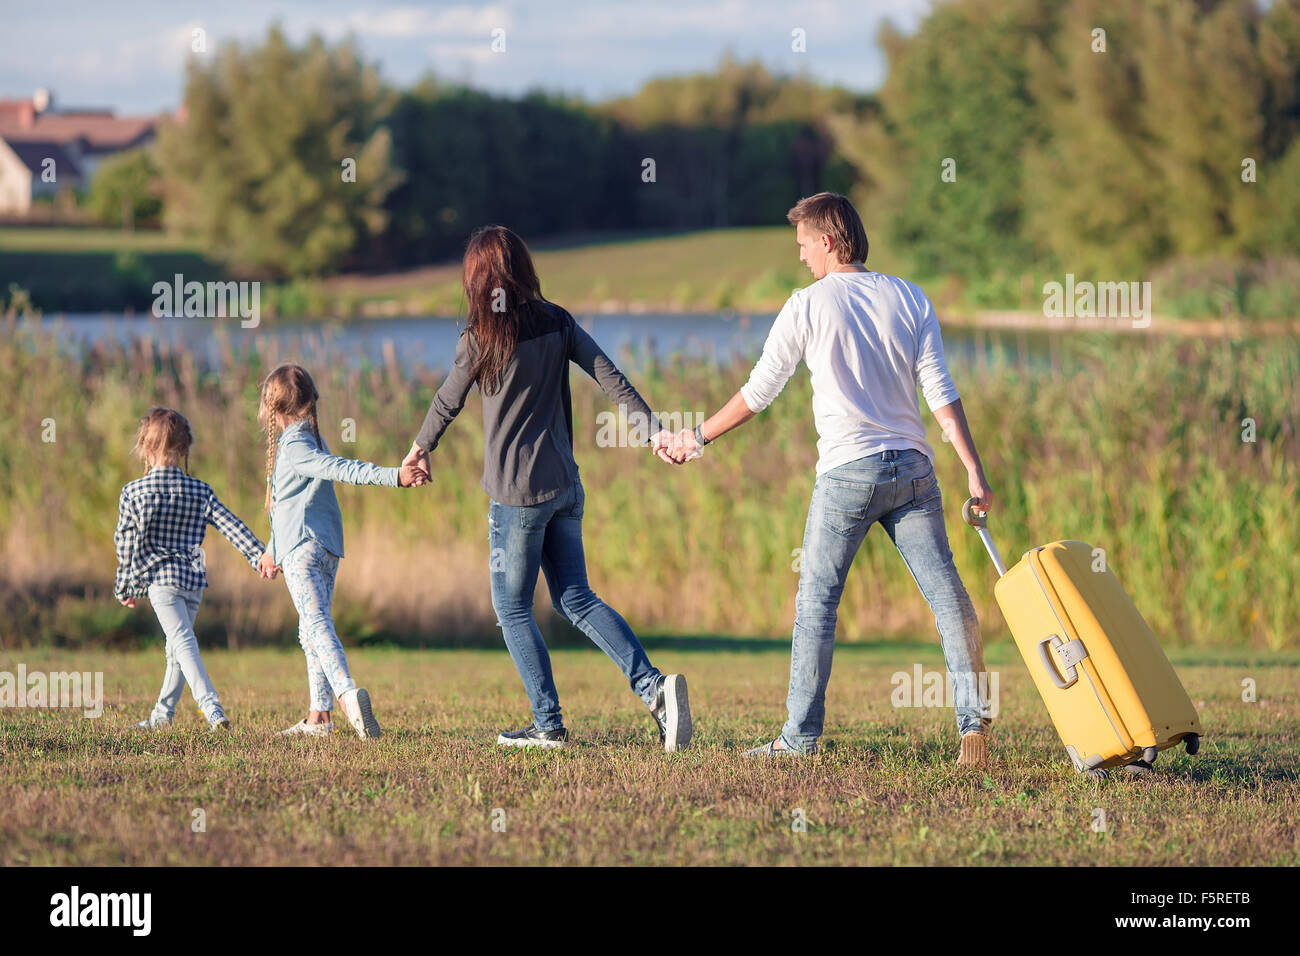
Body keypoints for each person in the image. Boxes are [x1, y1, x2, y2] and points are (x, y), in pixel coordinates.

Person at [668, 192, 995, 768]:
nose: (800, 258)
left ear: (826, 239)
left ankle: (798, 740)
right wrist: (973, 467)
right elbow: (940, 391)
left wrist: (697, 438)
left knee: (817, 601)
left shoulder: (807, 305)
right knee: (947, 595)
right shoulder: (910, 296)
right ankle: (972, 724)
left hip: (847, 472)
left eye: (802, 245)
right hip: (914, 470)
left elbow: (759, 392)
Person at [403, 225, 693, 752]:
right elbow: (611, 378)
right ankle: (655, 691)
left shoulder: (480, 337)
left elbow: (448, 400)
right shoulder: (559, 321)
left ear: (478, 279)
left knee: (513, 610)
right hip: (564, 486)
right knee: (576, 597)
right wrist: (653, 433)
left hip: (516, 498)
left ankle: (548, 724)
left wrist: (420, 447)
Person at [257, 363, 429, 739]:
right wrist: (272, 550)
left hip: (304, 550)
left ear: (271, 407)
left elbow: (341, 469)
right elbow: (289, 503)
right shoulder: (309, 439)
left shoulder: (299, 446)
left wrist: (393, 477)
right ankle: (319, 718)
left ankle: (347, 696)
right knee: (310, 629)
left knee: (316, 625)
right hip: (323, 548)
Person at [114, 407, 267, 731]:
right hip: (193, 581)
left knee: (182, 644)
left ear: (145, 446)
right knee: (177, 650)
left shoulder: (134, 492)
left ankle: (212, 709)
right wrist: (259, 556)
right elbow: (231, 526)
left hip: (162, 583)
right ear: (185, 449)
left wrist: (125, 585)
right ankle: (162, 716)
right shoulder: (200, 491)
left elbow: (125, 545)